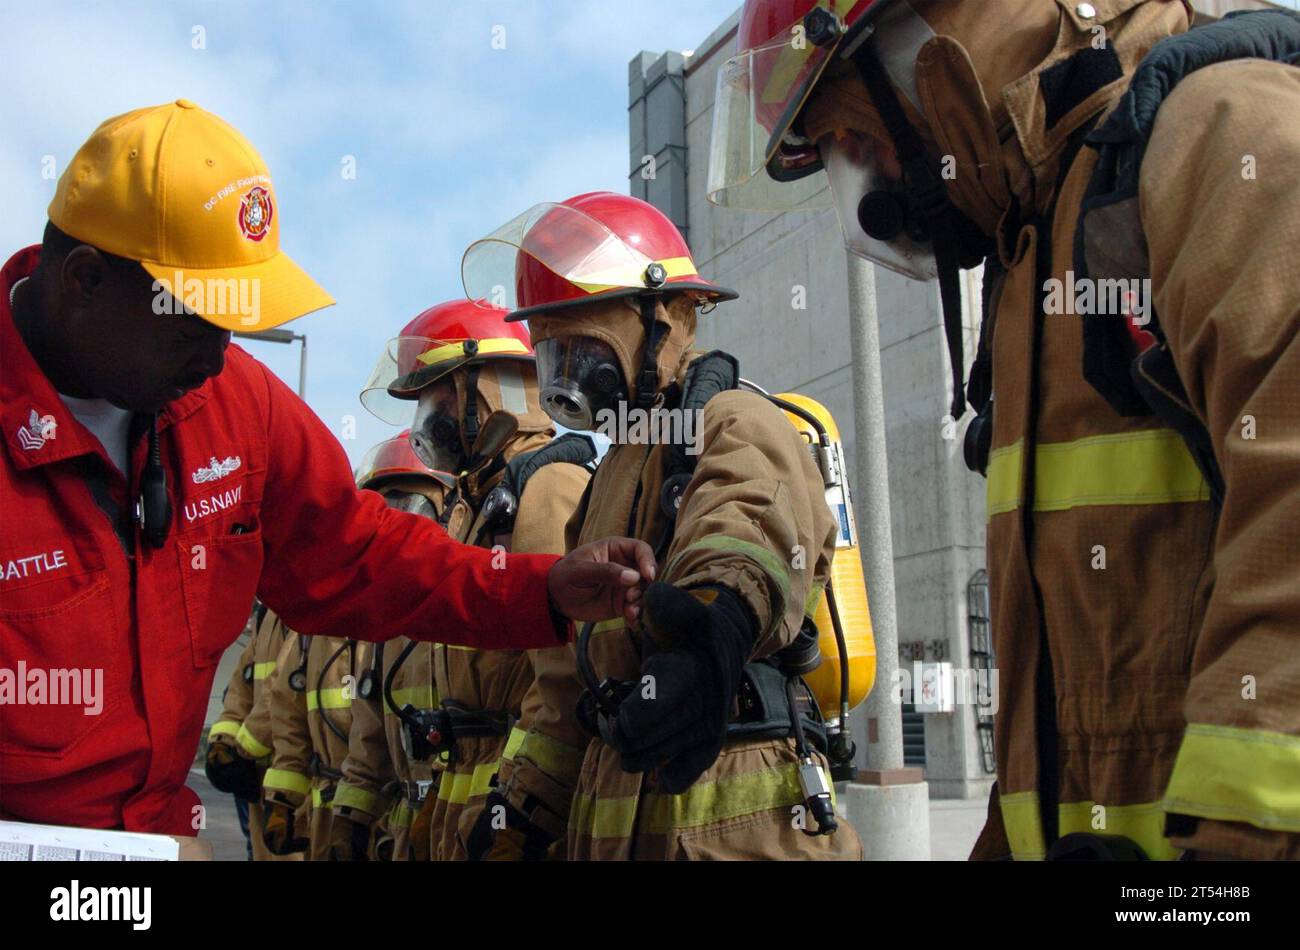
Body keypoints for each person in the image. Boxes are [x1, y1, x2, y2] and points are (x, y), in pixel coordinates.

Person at [709, 0, 1300, 859]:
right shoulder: (1037, 253)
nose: (871, 179)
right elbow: (1054, 732)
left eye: (854, 135)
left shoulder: (1225, 136)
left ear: (937, 47)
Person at [0, 99, 653, 836]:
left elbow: (360, 556)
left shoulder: (235, 407)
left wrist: (540, 591)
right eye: (193, 323)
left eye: (233, 325)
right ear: (85, 280)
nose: (218, 358)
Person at [462, 191, 862, 861]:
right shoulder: (611, 475)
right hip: (615, 818)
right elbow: (566, 685)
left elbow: (746, 523)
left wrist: (713, 635)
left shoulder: (735, 419)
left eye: (584, 349)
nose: (569, 379)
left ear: (671, 319)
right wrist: (521, 810)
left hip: (731, 822)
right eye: (555, 357)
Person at [360, 300, 594, 860]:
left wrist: (520, 807)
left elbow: (563, 681)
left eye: (437, 399)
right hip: (463, 806)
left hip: (513, 817)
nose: (428, 421)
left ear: (486, 393)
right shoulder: (478, 505)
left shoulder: (548, 486)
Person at [330, 432, 455, 862]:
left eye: (416, 509)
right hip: (404, 836)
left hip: (462, 826)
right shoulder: (386, 626)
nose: (403, 527)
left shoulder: (471, 614)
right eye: (390, 512)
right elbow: (368, 738)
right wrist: (352, 816)